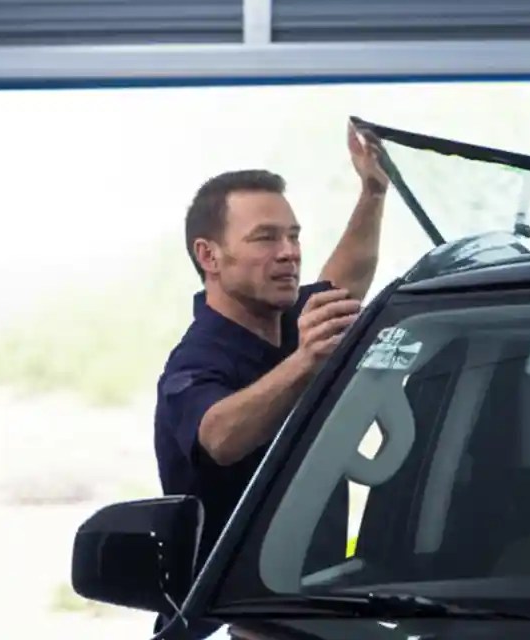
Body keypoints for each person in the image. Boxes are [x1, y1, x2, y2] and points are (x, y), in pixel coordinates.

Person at [153, 120, 389, 584]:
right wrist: (304, 363)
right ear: (209, 256)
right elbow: (220, 436)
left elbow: (350, 273)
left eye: (293, 236)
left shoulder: (295, 323)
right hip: (235, 611)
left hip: (320, 601)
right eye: (265, 238)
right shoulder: (195, 361)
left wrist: (374, 192)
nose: (289, 253)